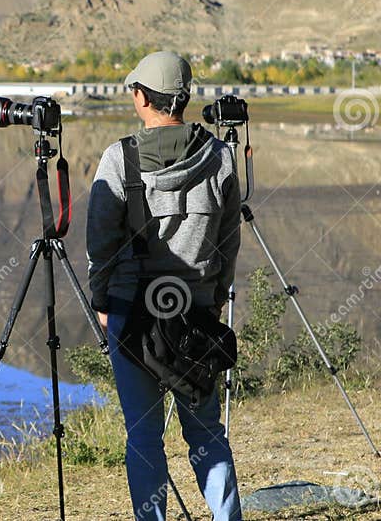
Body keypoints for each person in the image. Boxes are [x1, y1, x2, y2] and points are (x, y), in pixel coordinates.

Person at [86, 51, 243, 521]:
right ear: (184, 98)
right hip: (195, 317)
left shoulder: (118, 159)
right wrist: (214, 299)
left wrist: (101, 302)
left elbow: (100, 245)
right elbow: (229, 244)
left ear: (141, 97)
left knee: (143, 435)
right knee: (207, 433)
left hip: (131, 316)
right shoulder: (220, 157)